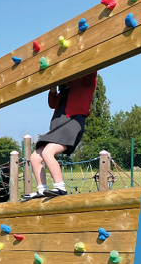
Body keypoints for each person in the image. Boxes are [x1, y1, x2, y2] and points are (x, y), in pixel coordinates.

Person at [21, 72, 98, 200]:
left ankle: (60, 187)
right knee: (35, 157)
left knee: (47, 153)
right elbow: (52, 103)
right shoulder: (63, 89)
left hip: (73, 122)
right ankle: (42, 189)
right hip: (58, 126)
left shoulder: (85, 82)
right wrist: (53, 86)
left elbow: (91, 69)